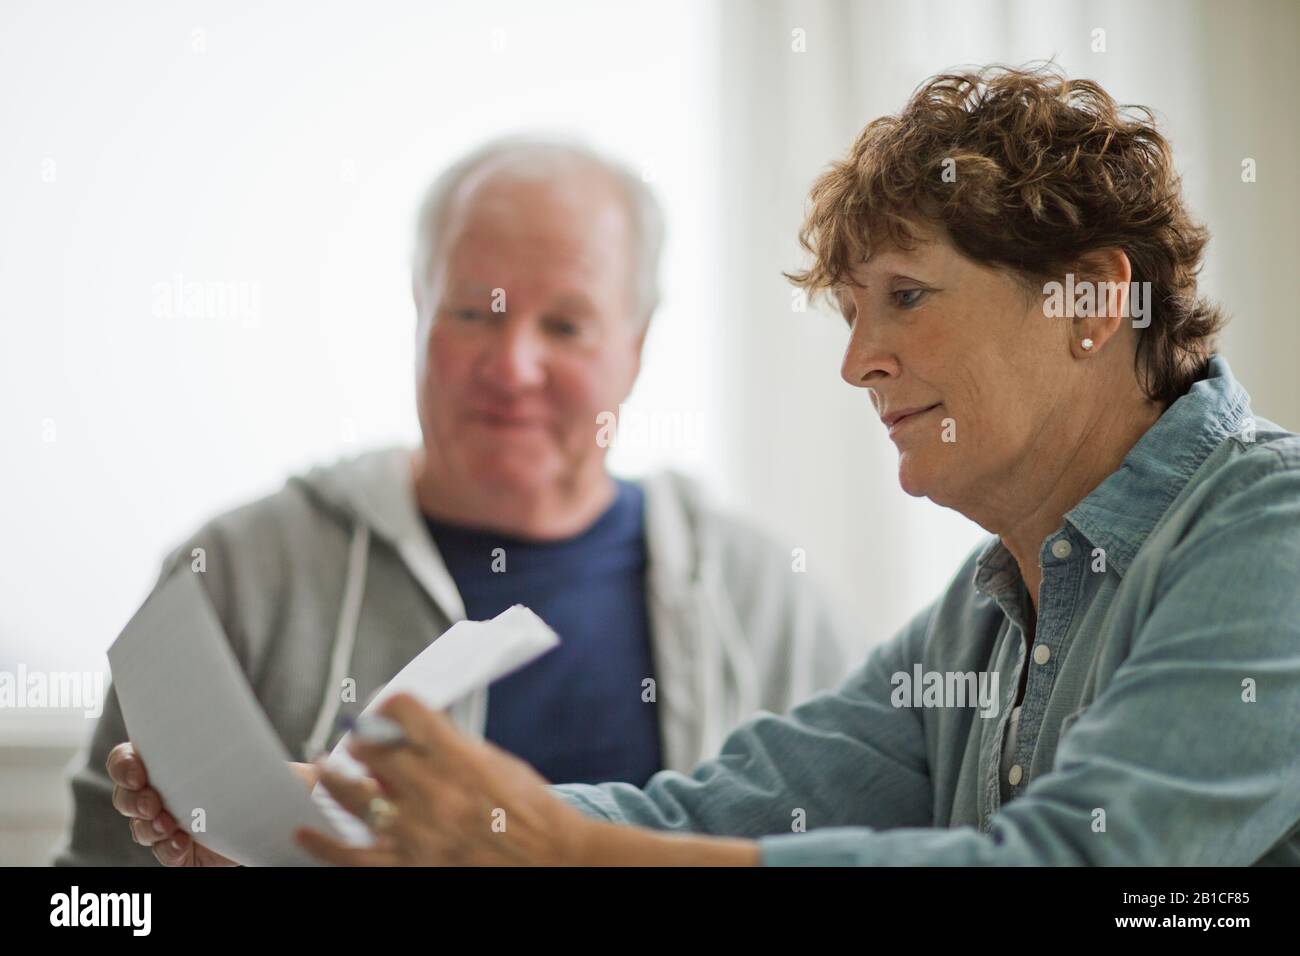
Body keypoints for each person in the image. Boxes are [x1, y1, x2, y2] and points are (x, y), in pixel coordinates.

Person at [282, 64, 1300, 866]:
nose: (858, 361)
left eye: (904, 295)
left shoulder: (1271, 529)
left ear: (1088, 300)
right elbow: (717, 809)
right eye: (851, 313)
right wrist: (343, 820)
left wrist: (556, 848)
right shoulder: (982, 608)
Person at [60, 136, 851, 866]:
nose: (511, 368)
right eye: (474, 313)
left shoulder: (763, 601)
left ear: (636, 347)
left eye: (566, 325)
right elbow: (93, 897)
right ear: (418, 312)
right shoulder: (231, 575)